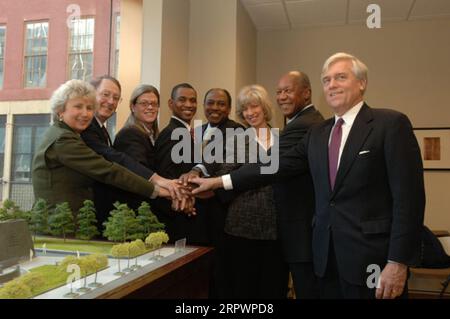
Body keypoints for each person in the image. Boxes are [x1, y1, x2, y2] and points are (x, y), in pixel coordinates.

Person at [192, 53, 425, 299]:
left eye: (341, 77)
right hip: (325, 261)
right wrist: (218, 181)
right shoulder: (318, 133)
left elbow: (409, 200)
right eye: (326, 80)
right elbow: (273, 165)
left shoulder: (389, 124)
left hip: (372, 261)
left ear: (362, 83)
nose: (332, 84)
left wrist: (398, 261)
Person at [32, 79, 170, 216]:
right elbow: (108, 171)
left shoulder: (69, 134)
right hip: (59, 225)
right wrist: (158, 190)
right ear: (60, 111)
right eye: (78, 107)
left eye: (90, 108)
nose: (85, 114)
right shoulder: (63, 139)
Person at [213, 84, 288, 298]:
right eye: (245, 109)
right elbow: (224, 177)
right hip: (242, 226)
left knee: (274, 286)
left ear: (264, 108)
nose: (250, 113)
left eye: (254, 107)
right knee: (244, 288)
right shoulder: (235, 141)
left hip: (277, 227)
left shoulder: (283, 138)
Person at [80, 76, 181, 225]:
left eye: (116, 98)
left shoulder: (102, 129)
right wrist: (164, 186)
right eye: (106, 94)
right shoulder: (89, 127)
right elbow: (117, 159)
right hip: (99, 211)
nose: (110, 101)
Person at [179, 88, 244, 298]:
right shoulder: (197, 130)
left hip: (222, 209)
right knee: (199, 269)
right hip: (197, 212)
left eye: (221, 103)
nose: (215, 108)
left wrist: (200, 176)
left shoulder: (238, 131)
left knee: (222, 270)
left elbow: (227, 168)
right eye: (210, 103)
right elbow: (192, 162)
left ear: (229, 108)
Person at [274, 71, 324, 298]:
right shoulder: (304, 121)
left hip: (301, 230)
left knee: (308, 290)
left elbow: (269, 166)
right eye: (279, 91)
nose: (282, 96)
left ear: (306, 93)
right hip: (301, 229)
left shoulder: (303, 124)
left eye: (288, 90)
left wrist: (219, 181)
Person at [154, 83, 207, 245]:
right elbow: (166, 175)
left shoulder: (185, 132)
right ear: (171, 104)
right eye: (182, 100)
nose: (189, 105)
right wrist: (185, 202)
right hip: (177, 214)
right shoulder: (173, 133)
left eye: (193, 100)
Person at [112, 84, 160, 210]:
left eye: (154, 104)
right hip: (135, 208)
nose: (150, 107)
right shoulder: (129, 134)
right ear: (133, 107)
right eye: (144, 103)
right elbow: (140, 174)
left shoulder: (153, 135)